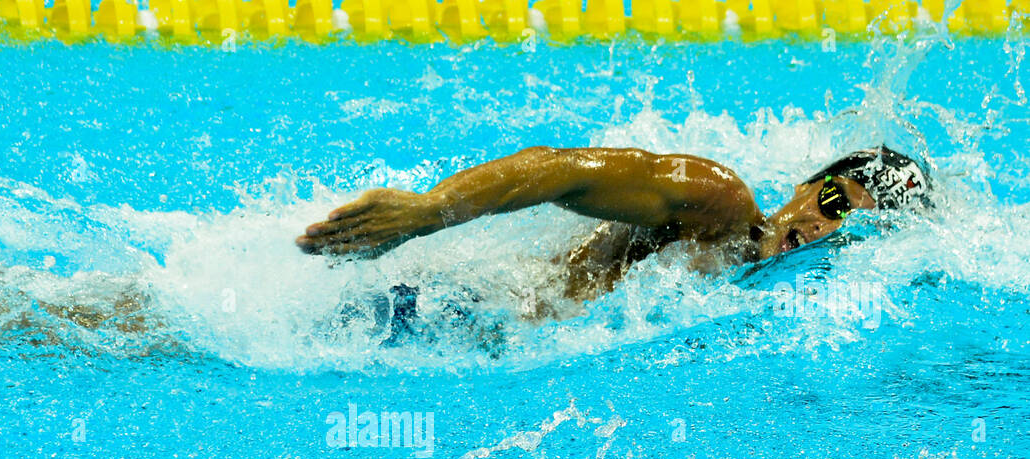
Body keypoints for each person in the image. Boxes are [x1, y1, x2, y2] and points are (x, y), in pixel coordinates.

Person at [296, 144, 933, 301]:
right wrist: (429, 211)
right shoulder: (721, 204)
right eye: (837, 202)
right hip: (469, 315)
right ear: (806, 185)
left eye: (853, 226)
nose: (828, 228)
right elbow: (561, 169)